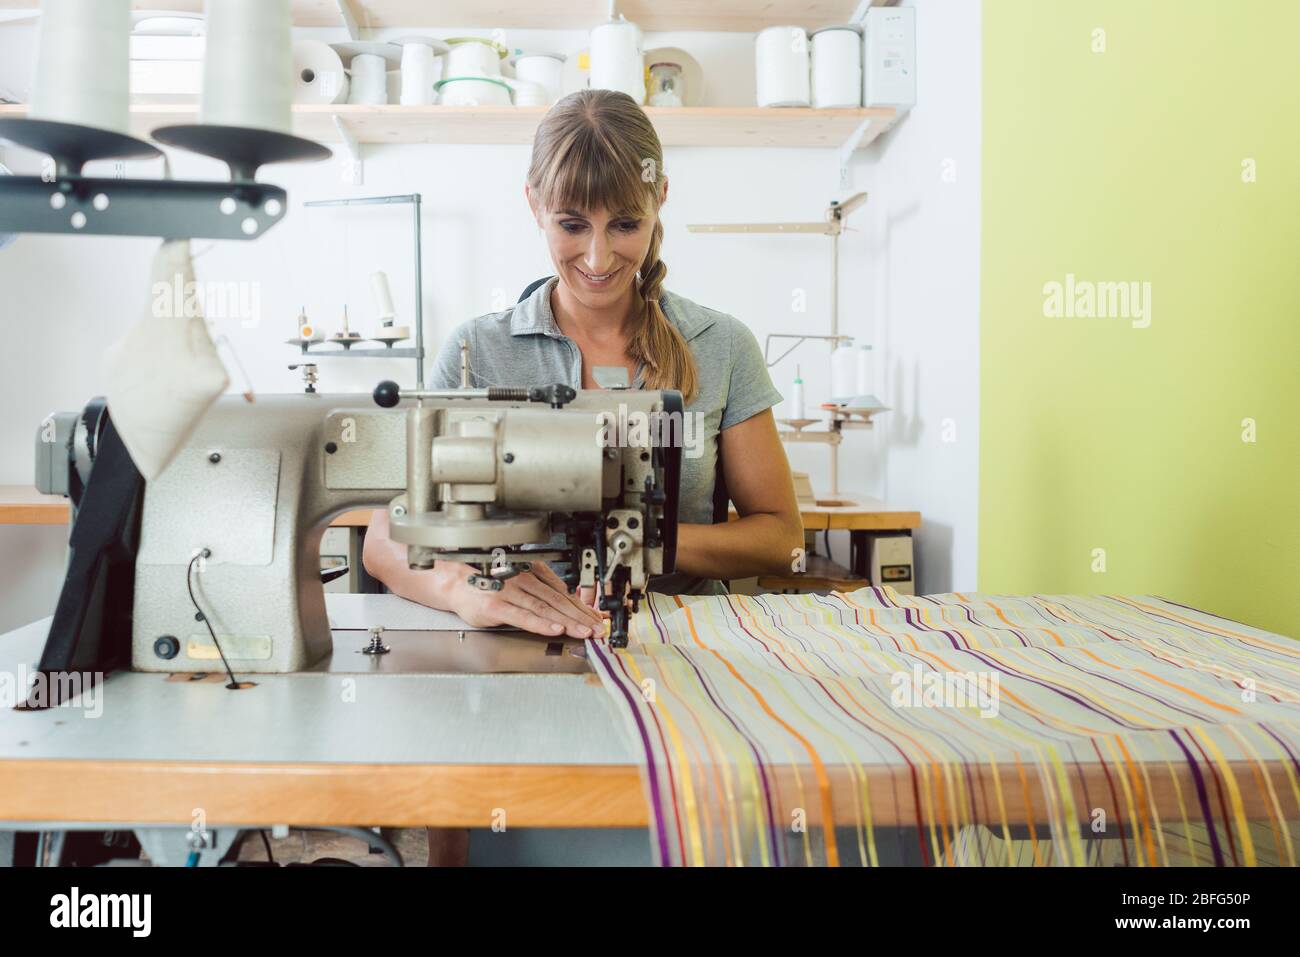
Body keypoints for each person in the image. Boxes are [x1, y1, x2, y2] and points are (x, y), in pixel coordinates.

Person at [362, 89, 804, 642]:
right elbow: (384, 539)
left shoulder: (721, 345)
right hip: (515, 642)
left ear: (660, 199)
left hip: (682, 642)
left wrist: (641, 541)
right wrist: (463, 590)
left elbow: (782, 540)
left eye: (624, 225)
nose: (598, 258)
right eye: (572, 225)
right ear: (533, 204)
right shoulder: (477, 351)